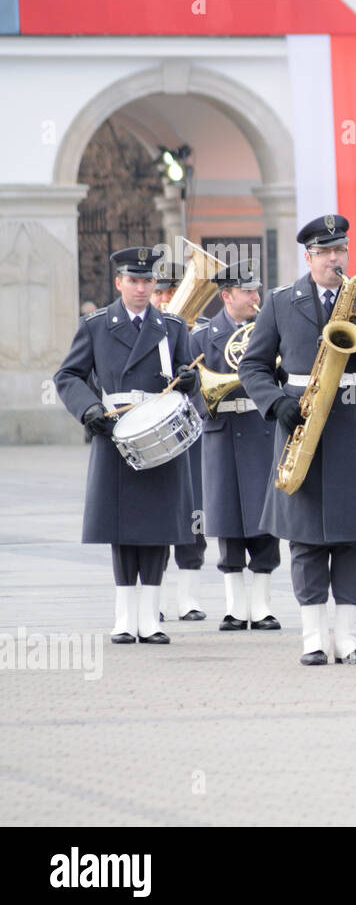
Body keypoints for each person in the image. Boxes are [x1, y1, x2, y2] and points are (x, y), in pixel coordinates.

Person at [239, 214, 356, 665]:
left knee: (355, 539)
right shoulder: (281, 302)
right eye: (325, 253)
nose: (334, 260)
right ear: (309, 257)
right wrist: (275, 403)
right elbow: (253, 366)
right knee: (305, 538)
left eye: (340, 251)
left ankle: (351, 636)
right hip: (302, 424)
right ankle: (314, 637)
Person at [55, 246, 200, 644]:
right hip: (116, 432)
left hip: (159, 435)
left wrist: (191, 383)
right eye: (133, 281)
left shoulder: (172, 326)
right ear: (118, 283)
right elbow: (68, 375)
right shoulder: (96, 325)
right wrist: (88, 411)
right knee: (122, 527)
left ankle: (150, 618)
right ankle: (124, 616)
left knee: (157, 527)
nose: (140, 288)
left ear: (155, 285)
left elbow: (191, 376)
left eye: (147, 281)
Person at [190, 259, 281, 631]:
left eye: (257, 290)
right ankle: (234, 606)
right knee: (227, 521)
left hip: (261, 429)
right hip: (222, 431)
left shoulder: (269, 330)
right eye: (247, 291)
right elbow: (193, 388)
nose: (255, 297)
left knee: (265, 521)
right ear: (227, 296)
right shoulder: (201, 336)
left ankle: (260, 605)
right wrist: (201, 398)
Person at [151, 266, 207, 622]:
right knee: (153, 515)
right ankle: (150, 597)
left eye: (174, 291)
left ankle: (188, 596)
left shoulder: (199, 332)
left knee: (193, 514)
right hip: (152, 429)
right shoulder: (142, 332)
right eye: (161, 292)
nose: (168, 298)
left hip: (190, 429)